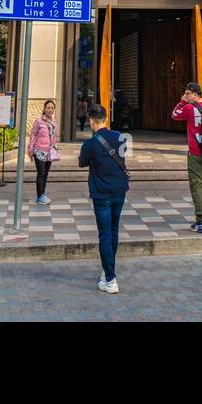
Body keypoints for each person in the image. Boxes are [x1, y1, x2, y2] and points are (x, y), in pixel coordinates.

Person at [78, 103, 129, 294]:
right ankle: (108, 271)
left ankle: (110, 278)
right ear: (106, 119)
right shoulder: (120, 137)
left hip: (101, 193)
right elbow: (123, 160)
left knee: (104, 234)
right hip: (119, 191)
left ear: (91, 121)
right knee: (114, 230)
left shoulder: (89, 144)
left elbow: (82, 163)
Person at [172, 81, 202, 233]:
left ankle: (201, 221)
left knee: (196, 186)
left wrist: (181, 102)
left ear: (194, 94)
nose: (185, 96)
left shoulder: (189, 108)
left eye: (187, 93)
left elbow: (174, 115)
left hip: (196, 152)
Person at [28, 99, 60, 205]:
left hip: (49, 152)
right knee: (41, 174)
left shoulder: (54, 122)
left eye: (52, 108)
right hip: (39, 150)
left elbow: (54, 137)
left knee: (45, 174)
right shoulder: (39, 121)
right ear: (44, 109)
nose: (50, 110)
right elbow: (33, 135)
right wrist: (30, 150)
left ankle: (42, 194)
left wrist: (55, 149)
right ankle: (40, 196)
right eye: (48, 108)